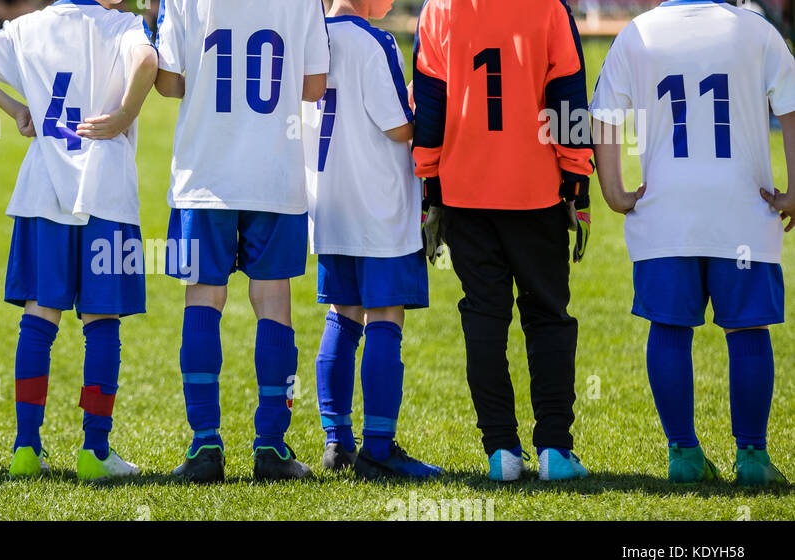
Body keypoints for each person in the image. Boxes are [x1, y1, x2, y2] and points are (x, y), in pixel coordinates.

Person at [0, 0, 157, 481]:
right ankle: (94, 451)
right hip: (104, 190)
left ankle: (26, 448)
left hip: (44, 188)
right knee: (101, 321)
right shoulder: (122, 24)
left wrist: (14, 108)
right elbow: (147, 60)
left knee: (39, 317)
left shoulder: (29, 26)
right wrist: (125, 113)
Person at [591, 0, 794, 486]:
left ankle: (682, 454)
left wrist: (614, 189)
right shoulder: (757, 30)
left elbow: (604, 116)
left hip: (666, 212)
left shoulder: (638, 32)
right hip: (742, 210)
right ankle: (752, 458)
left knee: (669, 327)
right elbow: (791, 108)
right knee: (748, 330)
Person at [414, 0, 593, 481]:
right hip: (536, 193)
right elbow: (568, 99)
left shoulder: (438, 8)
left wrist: (430, 189)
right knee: (548, 317)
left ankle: (501, 454)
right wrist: (578, 186)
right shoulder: (549, 7)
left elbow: (429, 106)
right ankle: (555, 449)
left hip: (466, 194)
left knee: (484, 320)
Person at [155, 0, 330, 482]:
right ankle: (271, 446)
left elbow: (167, 80)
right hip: (274, 174)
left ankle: (205, 443)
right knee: (273, 301)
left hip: (204, 172)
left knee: (203, 300)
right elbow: (314, 87)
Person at [304, 0, 443, 480]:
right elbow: (399, 126)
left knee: (342, 315)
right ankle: (378, 449)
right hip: (378, 204)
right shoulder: (375, 40)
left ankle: (337, 441)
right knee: (385, 315)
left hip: (329, 203)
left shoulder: (311, 33)